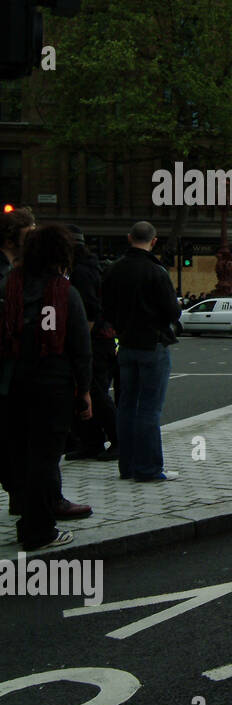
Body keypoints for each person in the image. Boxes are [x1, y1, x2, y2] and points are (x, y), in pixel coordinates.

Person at [0, 224, 93, 550]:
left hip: (13, 384)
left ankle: (28, 514)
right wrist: (84, 390)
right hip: (52, 385)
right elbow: (81, 347)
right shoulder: (64, 292)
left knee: (21, 455)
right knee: (45, 457)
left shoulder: (8, 287)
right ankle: (38, 530)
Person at [102, 221, 181, 482]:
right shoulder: (156, 271)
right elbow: (172, 311)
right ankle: (148, 468)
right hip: (153, 343)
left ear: (129, 237)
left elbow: (107, 308)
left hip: (125, 343)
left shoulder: (114, 270)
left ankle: (127, 465)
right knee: (149, 408)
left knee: (125, 405)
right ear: (154, 241)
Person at [66, 224, 119, 461]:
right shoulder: (88, 267)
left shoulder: (81, 272)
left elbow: (89, 310)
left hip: (94, 341)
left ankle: (118, 440)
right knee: (88, 391)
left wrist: (81, 341)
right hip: (101, 339)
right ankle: (92, 441)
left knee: (94, 392)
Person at [0, 207, 38, 514]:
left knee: (19, 442)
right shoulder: (7, 274)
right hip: (7, 370)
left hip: (20, 370)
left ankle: (20, 498)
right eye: (29, 233)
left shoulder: (23, 268)